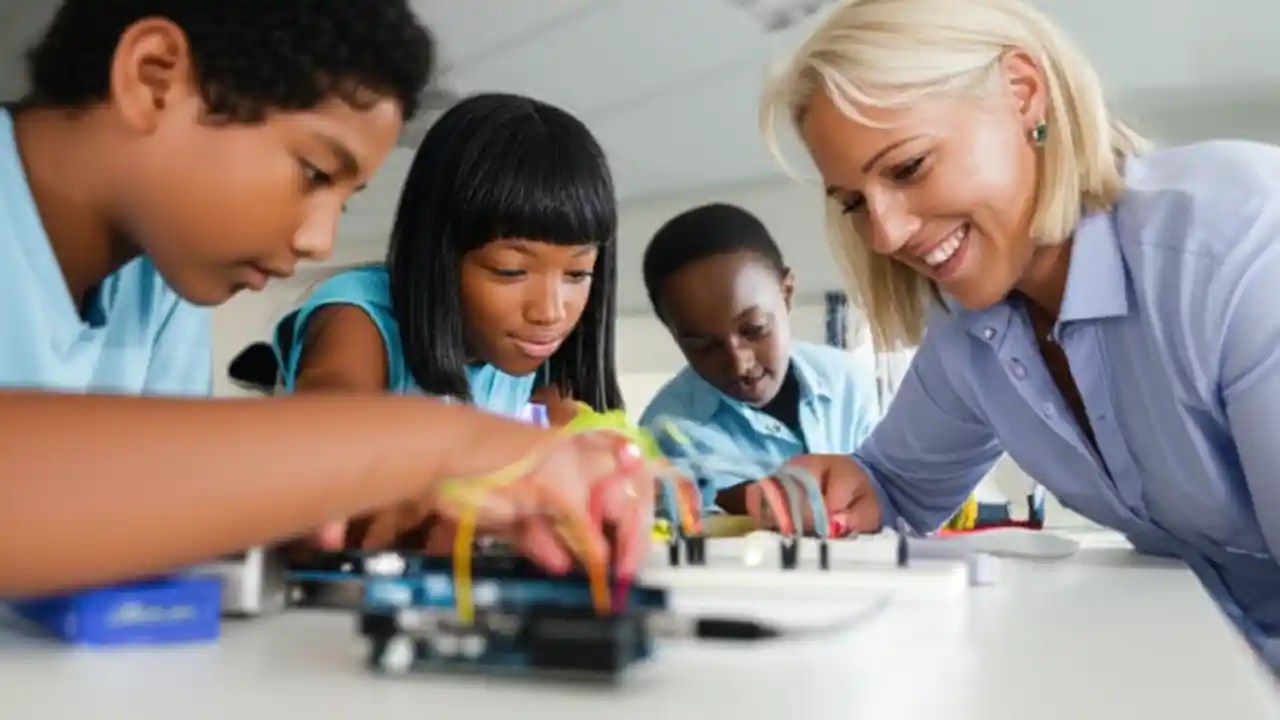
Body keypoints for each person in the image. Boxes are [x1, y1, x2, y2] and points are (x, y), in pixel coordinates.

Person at [0, 1, 652, 598]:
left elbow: (140, 512)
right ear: (153, 79)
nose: (320, 239)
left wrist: (341, 515)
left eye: (345, 199)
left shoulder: (160, 286)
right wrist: (438, 446)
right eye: (314, 172)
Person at [751, 0, 1280, 670]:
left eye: (909, 167)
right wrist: (848, 489)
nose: (885, 234)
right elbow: (895, 489)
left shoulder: (1242, 246)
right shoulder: (971, 329)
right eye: (855, 203)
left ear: (1022, 93)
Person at [277, 91, 624, 550]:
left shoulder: (528, 354)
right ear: (438, 254)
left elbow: (576, 447)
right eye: (511, 270)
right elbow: (322, 443)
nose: (550, 311)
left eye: (578, 274)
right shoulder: (358, 316)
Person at [638, 203, 878, 517]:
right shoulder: (664, 431)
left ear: (787, 293)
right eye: (704, 346)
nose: (739, 364)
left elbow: (887, 491)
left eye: (755, 330)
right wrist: (735, 503)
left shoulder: (848, 382)